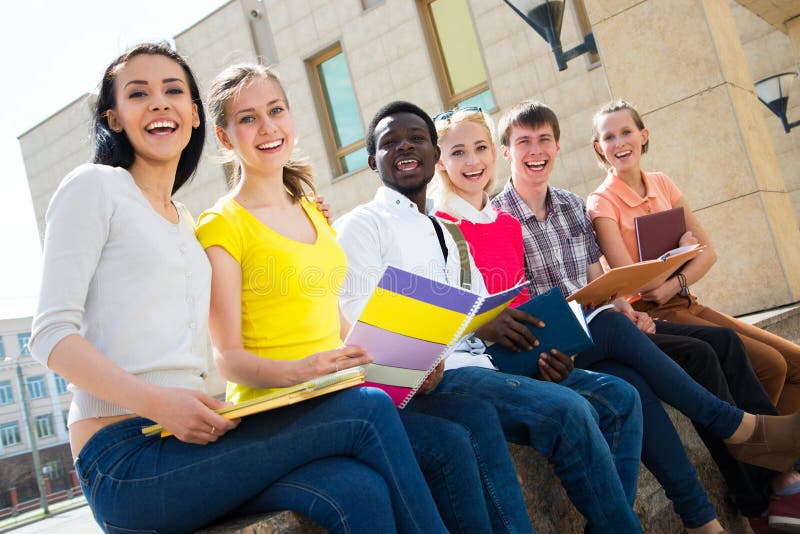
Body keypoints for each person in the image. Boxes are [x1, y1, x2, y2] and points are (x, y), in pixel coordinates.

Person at [28, 44, 447, 534]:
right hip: (123, 458)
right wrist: (160, 403)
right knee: (369, 409)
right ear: (115, 118)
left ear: (193, 115)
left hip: (194, 439)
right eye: (138, 93)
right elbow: (50, 336)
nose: (160, 103)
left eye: (174, 91)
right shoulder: (94, 186)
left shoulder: (184, 221)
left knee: (357, 489)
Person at [195, 63, 524, 533]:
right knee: (431, 442)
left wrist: (405, 359)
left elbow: (333, 318)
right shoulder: (221, 224)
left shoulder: (309, 209)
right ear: (226, 139)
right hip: (279, 410)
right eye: (247, 119)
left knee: (463, 427)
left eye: (276, 110)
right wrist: (303, 370)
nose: (267, 127)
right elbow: (227, 359)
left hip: (337, 394)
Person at [486, 100, 800, 533]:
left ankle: (702, 521)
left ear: (558, 147)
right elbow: (514, 308)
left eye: (544, 140)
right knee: (629, 332)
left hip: (598, 333)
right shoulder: (499, 219)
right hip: (550, 349)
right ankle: (740, 429)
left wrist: (625, 307)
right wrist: (617, 314)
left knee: (633, 383)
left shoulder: (572, 206)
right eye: (523, 142)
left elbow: (602, 281)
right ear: (507, 152)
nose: (535, 150)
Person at [336, 100, 646, 534]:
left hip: (489, 364)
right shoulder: (360, 226)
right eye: (391, 142)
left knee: (620, 399)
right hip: (440, 377)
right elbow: (366, 323)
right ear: (373, 160)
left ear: (432, 155)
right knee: (570, 412)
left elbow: (488, 315)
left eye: (417, 139)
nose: (405, 147)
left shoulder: (449, 233)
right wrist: (465, 327)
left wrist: (539, 358)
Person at [587, 100, 800, 417]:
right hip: (648, 313)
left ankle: (788, 450)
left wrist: (676, 280)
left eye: (626, 132)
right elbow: (635, 280)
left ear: (644, 135)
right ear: (599, 147)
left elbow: (708, 253)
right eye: (608, 137)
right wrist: (682, 254)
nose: (619, 143)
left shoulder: (662, 183)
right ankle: (761, 451)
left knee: (794, 362)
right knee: (769, 365)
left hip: (685, 299)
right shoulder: (600, 202)